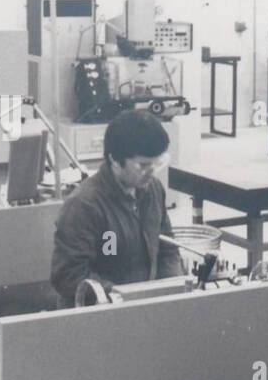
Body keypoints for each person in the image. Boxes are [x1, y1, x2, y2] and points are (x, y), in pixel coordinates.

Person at [50, 109, 183, 305]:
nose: (151, 172)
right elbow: (68, 275)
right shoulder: (84, 205)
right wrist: (123, 298)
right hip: (103, 314)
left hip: (146, 305)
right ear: (114, 159)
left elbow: (167, 247)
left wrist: (173, 288)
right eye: (143, 165)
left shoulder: (153, 189)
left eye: (157, 163)